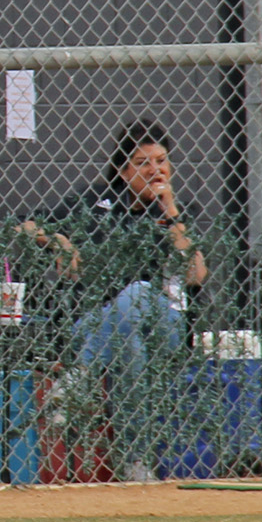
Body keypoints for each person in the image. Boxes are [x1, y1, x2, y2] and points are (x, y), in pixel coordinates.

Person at [28, 119, 208, 477]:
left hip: (167, 328)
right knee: (130, 347)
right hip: (100, 325)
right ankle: (135, 461)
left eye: (161, 160)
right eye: (143, 163)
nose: (155, 169)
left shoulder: (179, 213)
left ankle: (78, 376)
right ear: (123, 171)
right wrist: (57, 241)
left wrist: (170, 211)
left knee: (139, 293)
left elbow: (196, 275)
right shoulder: (94, 203)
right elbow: (26, 223)